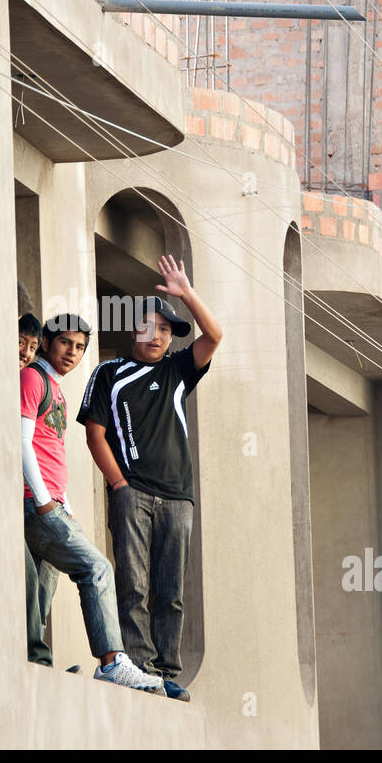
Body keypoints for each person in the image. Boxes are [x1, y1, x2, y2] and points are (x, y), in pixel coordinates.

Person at [77, 255, 222, 702]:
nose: (158, 335)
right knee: (133, 584)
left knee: (170, 590)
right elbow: (95, 434)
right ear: (133, 328)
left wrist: (186, 293)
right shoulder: (109, 373)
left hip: (179, 497)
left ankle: (165, 670)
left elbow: (214, 335)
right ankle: (137, 666)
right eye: (151, 327)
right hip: (132, 494)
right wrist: (119, 484)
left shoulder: (178, 370)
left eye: (165, 330)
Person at [21, 313, 165, 693]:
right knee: (97, 568)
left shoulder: (57, 389)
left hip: (51, 501)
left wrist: (63, 502)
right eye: (65, 342)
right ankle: (112, 662)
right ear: (48, 343)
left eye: (80, 347)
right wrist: (43, 502)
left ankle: (34, 662)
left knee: (41, 586)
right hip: (35, 502)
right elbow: (21, 443)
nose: (73, 352)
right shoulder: (32, 378)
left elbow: (48, 450)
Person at [17, 313, 57, 665]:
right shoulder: (19, 382)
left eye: (32, 346)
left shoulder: (32, 381)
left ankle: (38, 648)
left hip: (41, 495)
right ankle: (34, 653)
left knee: (48, 571)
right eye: (20, 343)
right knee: (27, 572)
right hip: (18, 499)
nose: (26, 352)